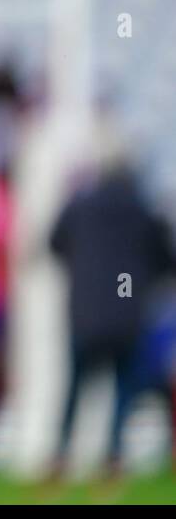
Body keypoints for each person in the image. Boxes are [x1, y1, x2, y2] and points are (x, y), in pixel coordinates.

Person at [50, 152, 174, 477]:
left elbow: (53, 244)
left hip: (85, 314)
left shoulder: (79, 206)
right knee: (122, 388)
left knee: (76, 387)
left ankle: (60, 456)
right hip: (127, 318)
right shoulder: (144, 212)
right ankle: (113, 459)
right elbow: (165, 261)